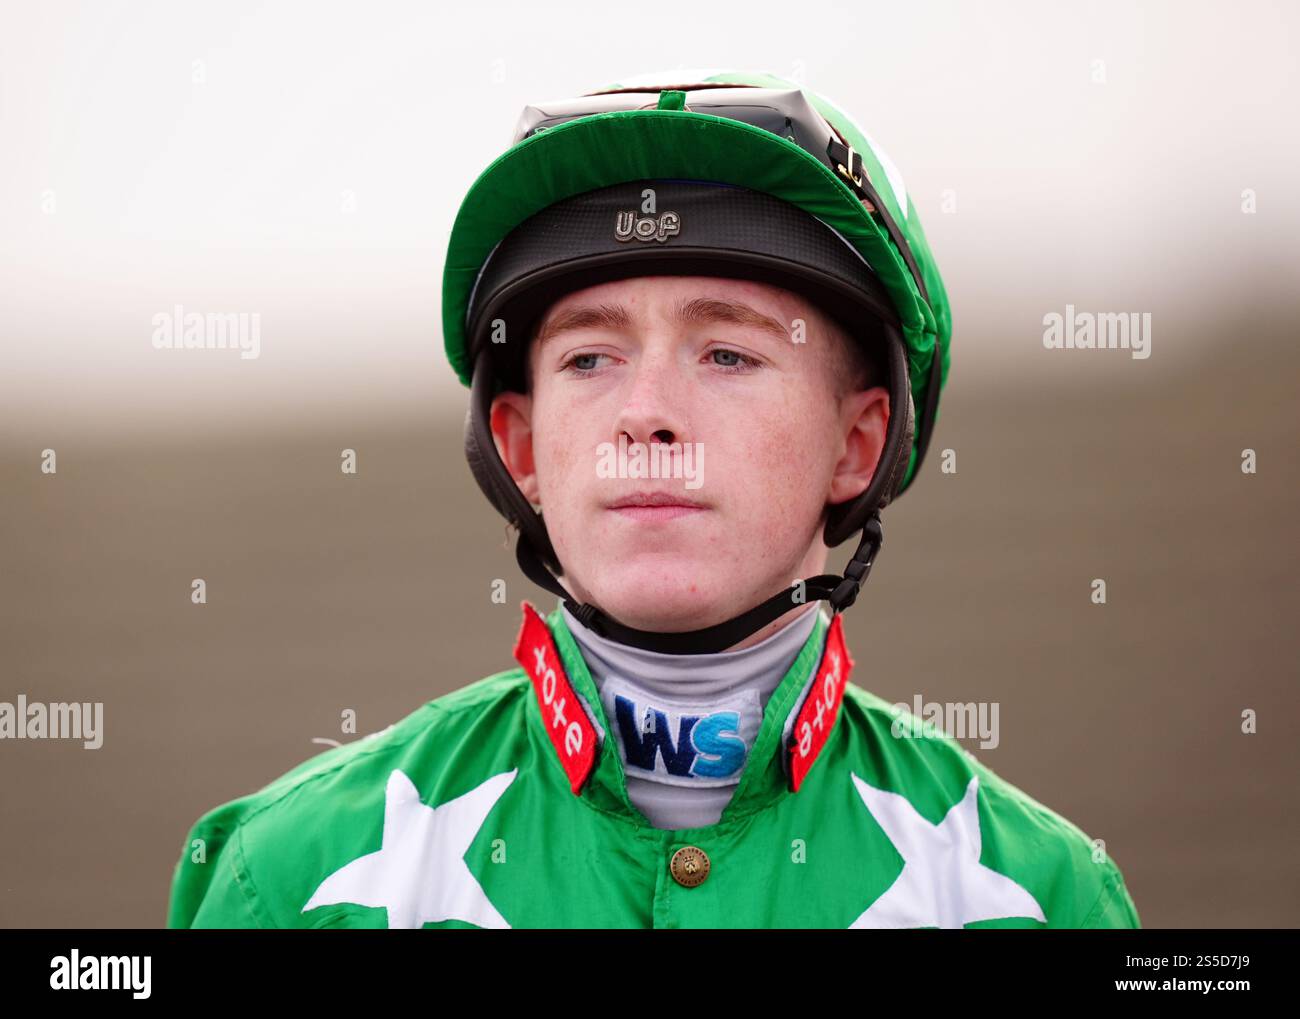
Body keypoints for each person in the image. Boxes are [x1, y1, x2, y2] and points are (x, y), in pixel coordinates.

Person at [166, 70, 1140, 928]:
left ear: (856, 446)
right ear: (521, 450)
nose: (646, 416)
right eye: (590, 356)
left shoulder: (1035, 895)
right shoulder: (286, 879)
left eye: (727, 353)